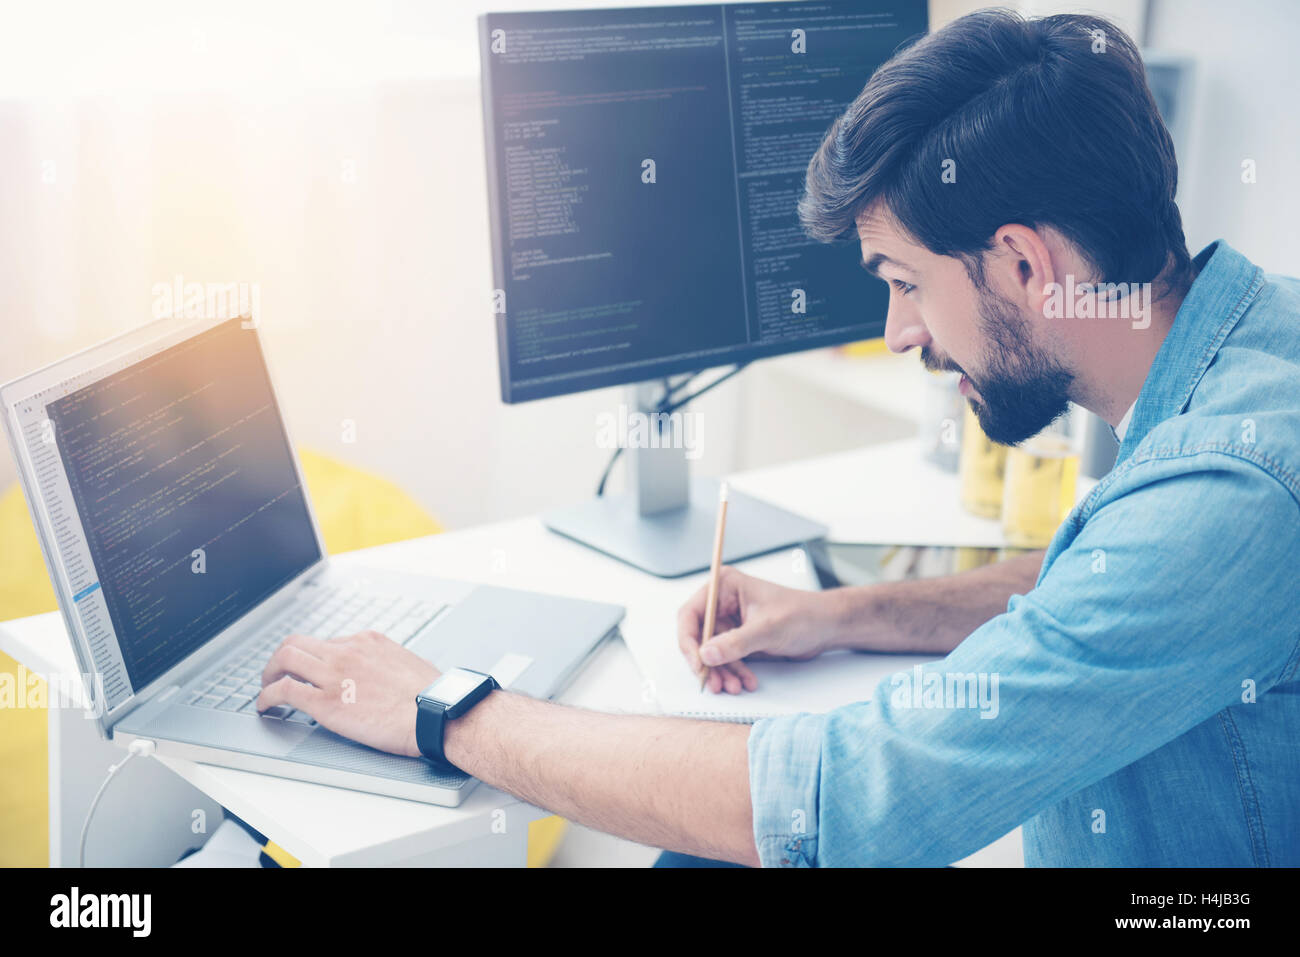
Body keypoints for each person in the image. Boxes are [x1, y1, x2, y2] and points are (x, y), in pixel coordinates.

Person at [256, 9, 1300, 866]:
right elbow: (1108, 585)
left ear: (1025, 265)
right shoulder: (1252, 343)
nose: (898, 335)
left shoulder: (1234, 492)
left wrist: (449, 710)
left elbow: (838, 811)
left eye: (903, 285)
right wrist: (843, 615)